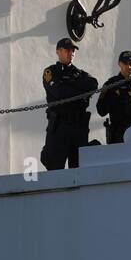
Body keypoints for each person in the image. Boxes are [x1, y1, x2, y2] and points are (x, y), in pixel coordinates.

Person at [40, 38, 98, 170]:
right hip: (59, 126)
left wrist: (68, 84)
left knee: (78, 168)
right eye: (67, 50)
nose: (70, 53)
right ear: (58, 52)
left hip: (78, 127)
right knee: (54, 165)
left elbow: (93, 84)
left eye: (73, 50)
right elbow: (60, 92)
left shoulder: (80, 73)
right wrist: (79, 90)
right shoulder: (50, 72)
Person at [97, 49, 131, 143]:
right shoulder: (111, 84)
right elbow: (101, 110)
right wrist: (115, 96)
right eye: (125, 63)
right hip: (118, 133)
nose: (129, 66)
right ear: (119, 64)